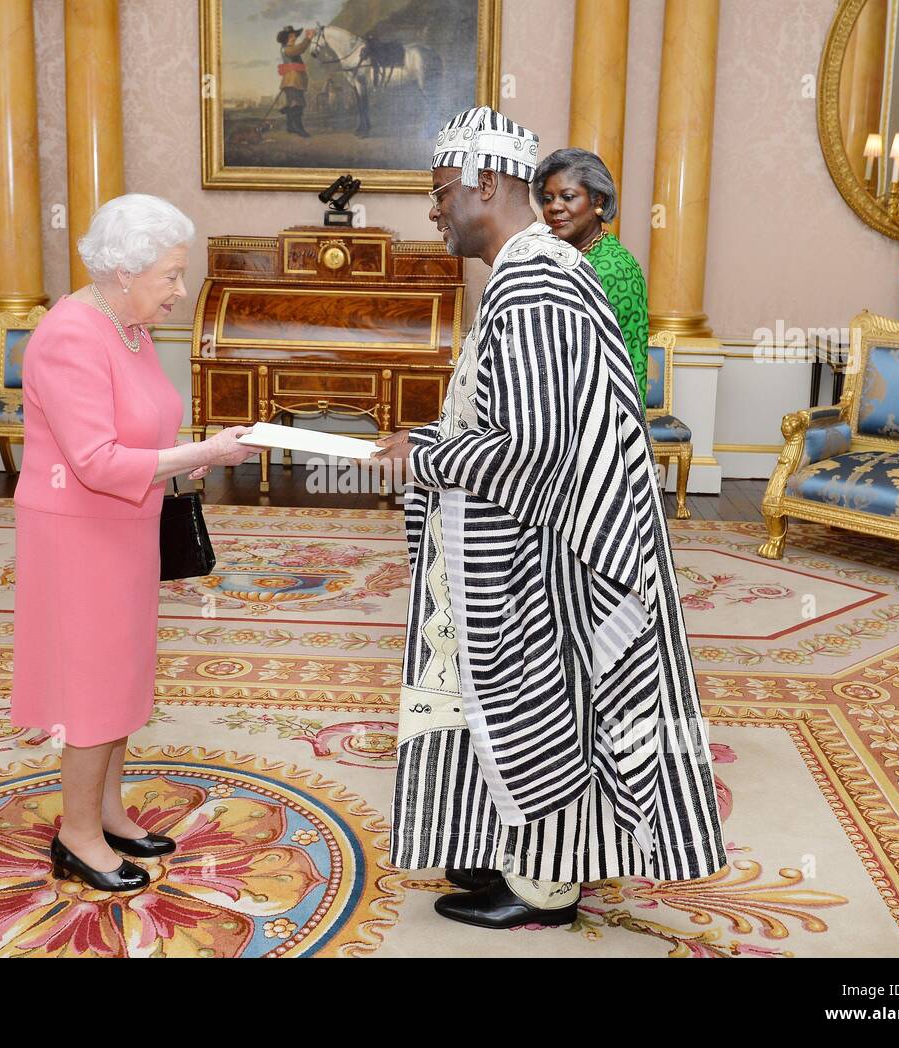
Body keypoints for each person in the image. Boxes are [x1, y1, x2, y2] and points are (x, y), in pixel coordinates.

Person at [374, 107, 726, 929]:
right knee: (532, 700)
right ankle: (525, 858)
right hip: (539, 533)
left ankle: (546, 889)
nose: (433, 211)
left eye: (439, 193)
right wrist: (429, 435)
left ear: (487, 184)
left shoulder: (534, 284)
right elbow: (513, 419)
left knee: (546, 701)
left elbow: (531, 454)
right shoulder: (537, 270)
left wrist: (421, 459)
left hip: (554, 547)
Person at [9, 194, 261, 892]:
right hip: (78, 532)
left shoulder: (130, 327)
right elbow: (92, 459)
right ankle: (77, 833)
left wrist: (189, 454)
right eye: (172, 275)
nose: (182, 290)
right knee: (91, 684)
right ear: (124, 271)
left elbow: (140, 432)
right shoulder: (71, 335)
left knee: (121, 674)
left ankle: (108, 811)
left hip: (128, 524)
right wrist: (195, 453)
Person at [535, 148, 649, 407]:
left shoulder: (613, 268)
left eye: (567, 196)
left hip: (606, 414)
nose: (554, 207)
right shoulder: (566, 255)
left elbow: (584, 356)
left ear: (598, 201)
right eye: (547, 198)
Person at [276, 25, 315, 138]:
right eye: (291, 36)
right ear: (286, 38)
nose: (294, 38)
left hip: (294, 79)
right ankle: (299, 129)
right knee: (297, 104)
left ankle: (290, 127)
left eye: (294, 36)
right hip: (293, 80)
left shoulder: (288, 48)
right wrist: (308, 38)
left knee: (291, 103)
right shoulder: (287, 49)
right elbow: (300, 49)